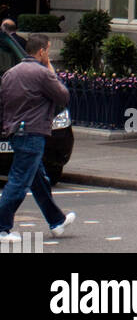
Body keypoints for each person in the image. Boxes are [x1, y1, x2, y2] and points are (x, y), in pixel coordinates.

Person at [0, 34, 75, 241]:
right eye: (48, 51)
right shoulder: (41, 73)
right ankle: (2, 227)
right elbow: (63, 96)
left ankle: (56, 220)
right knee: (19, 181)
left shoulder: (10, 73)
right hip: (33, 132)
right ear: (41, 51)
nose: (48, 55)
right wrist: (51, 69)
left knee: (38, 179)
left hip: (15, 131)